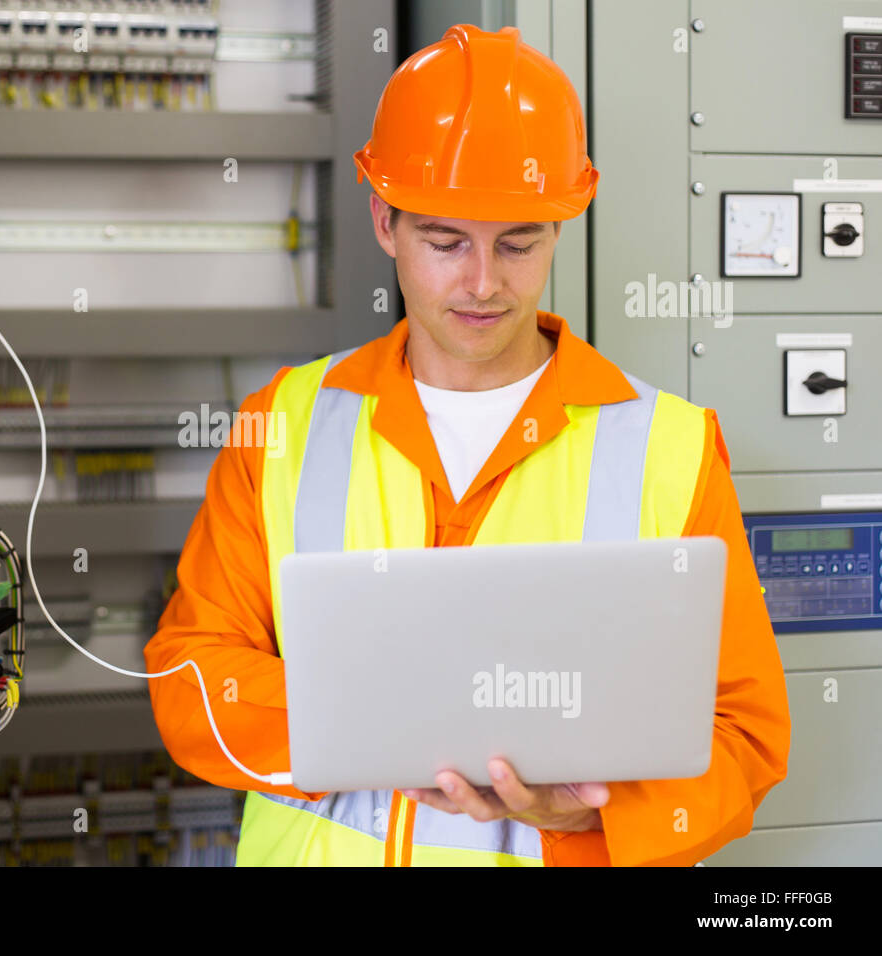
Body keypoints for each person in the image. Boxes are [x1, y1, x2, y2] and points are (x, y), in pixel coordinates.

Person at [143, 23, 790, 866]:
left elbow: (744, 736)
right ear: (384, 221)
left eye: (518, 243)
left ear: (560, 227)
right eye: (446, 242)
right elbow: (193, 679)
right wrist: (397, 715)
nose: (484, 282)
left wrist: (588, 812)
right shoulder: (286, 425)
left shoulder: (670, 445)